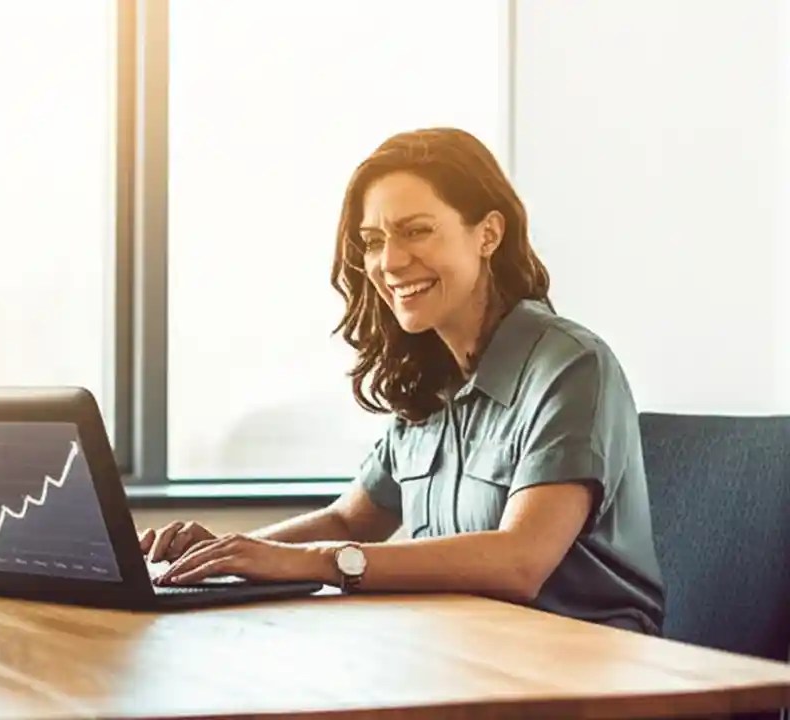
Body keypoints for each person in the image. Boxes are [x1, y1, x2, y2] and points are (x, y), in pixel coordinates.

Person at [143, 127, 665, 635]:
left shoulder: (572, 366)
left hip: (579, 672)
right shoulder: (432, 380)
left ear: (488, 234)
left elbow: (520, 561)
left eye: (416, 231)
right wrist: (230, 556)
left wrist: (318, 562)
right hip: (458, 656)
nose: (389, 261)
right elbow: (351, 522)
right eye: (373, 241)